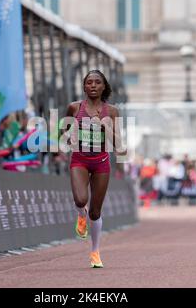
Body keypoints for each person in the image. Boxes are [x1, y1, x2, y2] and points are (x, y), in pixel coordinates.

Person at [63, 70, 125, 268]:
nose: (93, 85)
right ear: (84, 86)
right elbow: (63, 130)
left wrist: (105, 127)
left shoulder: (112, 111)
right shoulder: (74, 108)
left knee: (96, 212)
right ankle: (81, 215)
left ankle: (95, 252)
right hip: (80, 159)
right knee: (80, 200)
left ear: (104, 86)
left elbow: (119, 144)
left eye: (97, 82)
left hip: (101, 162)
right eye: (89, 82)